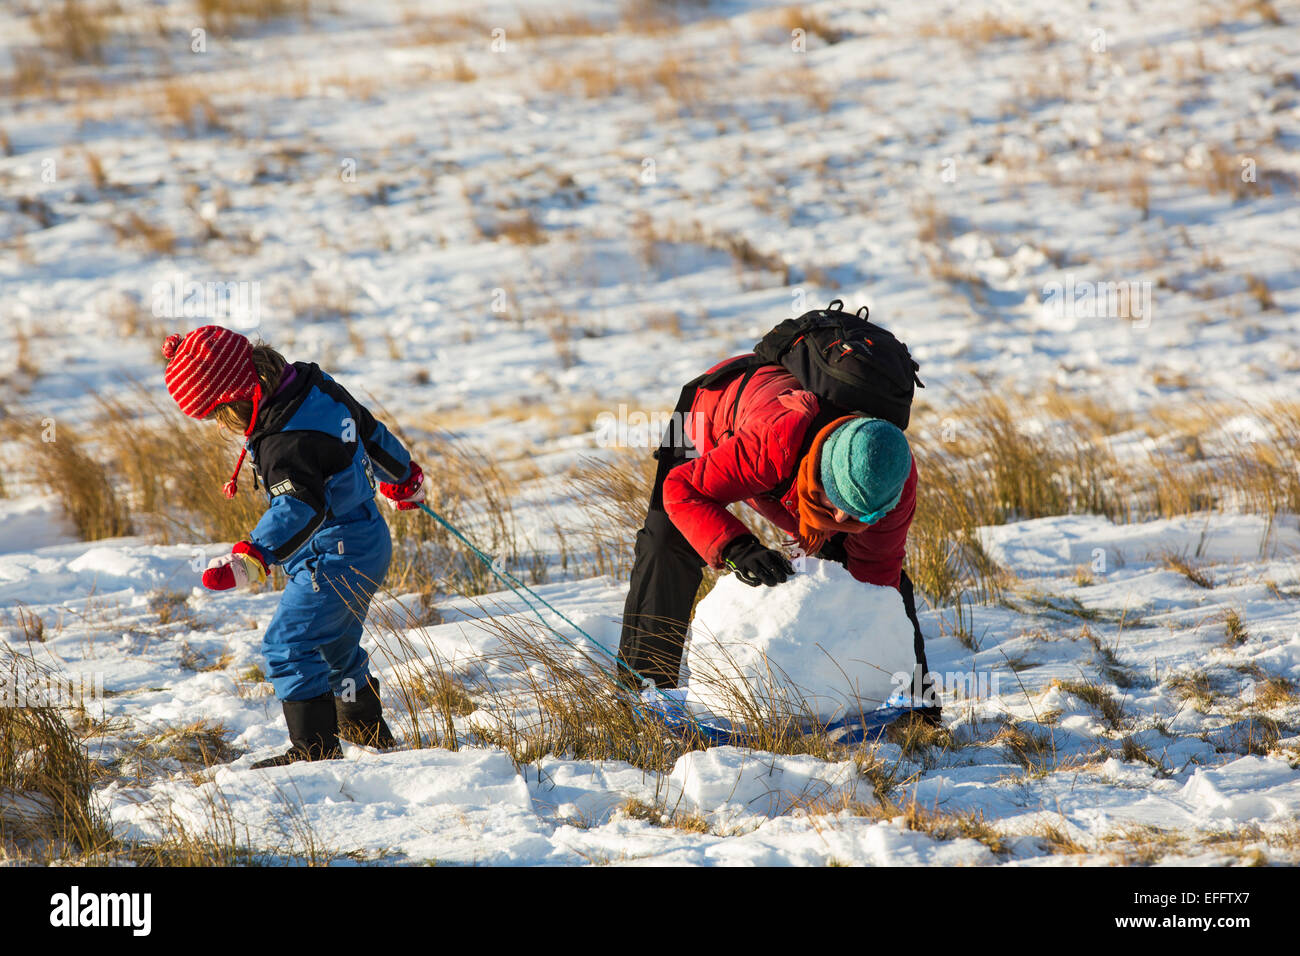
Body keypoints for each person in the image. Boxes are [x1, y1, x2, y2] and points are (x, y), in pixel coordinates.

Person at [161, 325, 427, 768]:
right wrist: (402, 476)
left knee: (287, 644)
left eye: (215, 415)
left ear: (235, 398)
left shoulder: (284, 441)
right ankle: (373, 745)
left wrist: (255, 553)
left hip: (335, 554)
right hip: (366, 538)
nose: (220, 427)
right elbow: (367, 428)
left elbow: (300, 506)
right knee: (335, 647)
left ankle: (314, 755)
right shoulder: (311, 385)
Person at [617, 357, 934, 712]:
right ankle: (642, 698)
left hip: (793, 440)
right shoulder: (772, 443)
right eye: (837, 500)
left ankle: (898, 698)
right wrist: (739, 547)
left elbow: (878, 582)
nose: (842, 516)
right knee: (666, 546)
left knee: (852, 569)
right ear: (821, 471)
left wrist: (898, 684)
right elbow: (681, 488)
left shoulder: (895, 483)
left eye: (859, 514)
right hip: (710, 411)